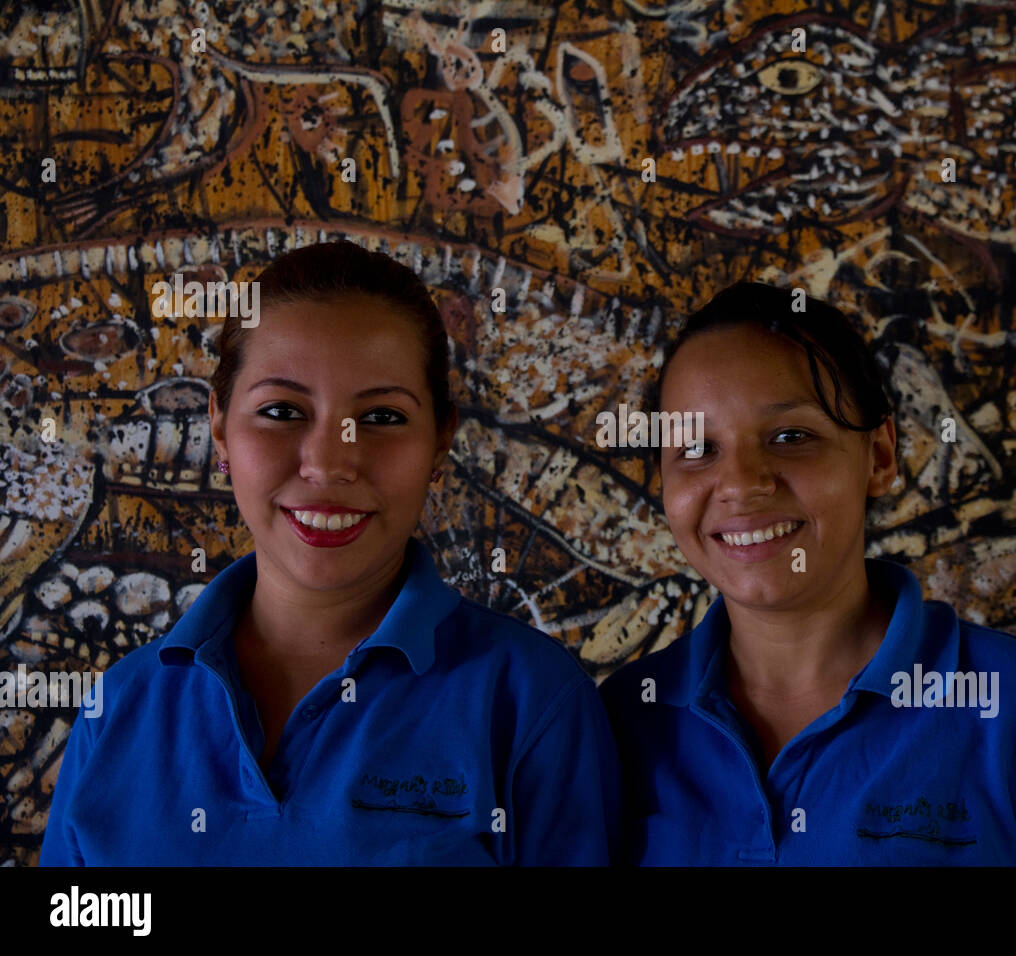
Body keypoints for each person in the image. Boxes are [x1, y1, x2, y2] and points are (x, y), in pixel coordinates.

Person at [41, 240, 619, 865]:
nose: (328, 463)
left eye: (382, 417)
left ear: (440, 441)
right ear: (218, 427)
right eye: (282, 410)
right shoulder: (123, 707)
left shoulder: (528, 702)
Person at [599, 281, 1016, 865]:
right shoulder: (619, 724)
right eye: (697, 448)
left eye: (791, 436)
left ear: (879, 456)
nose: (744, 484)